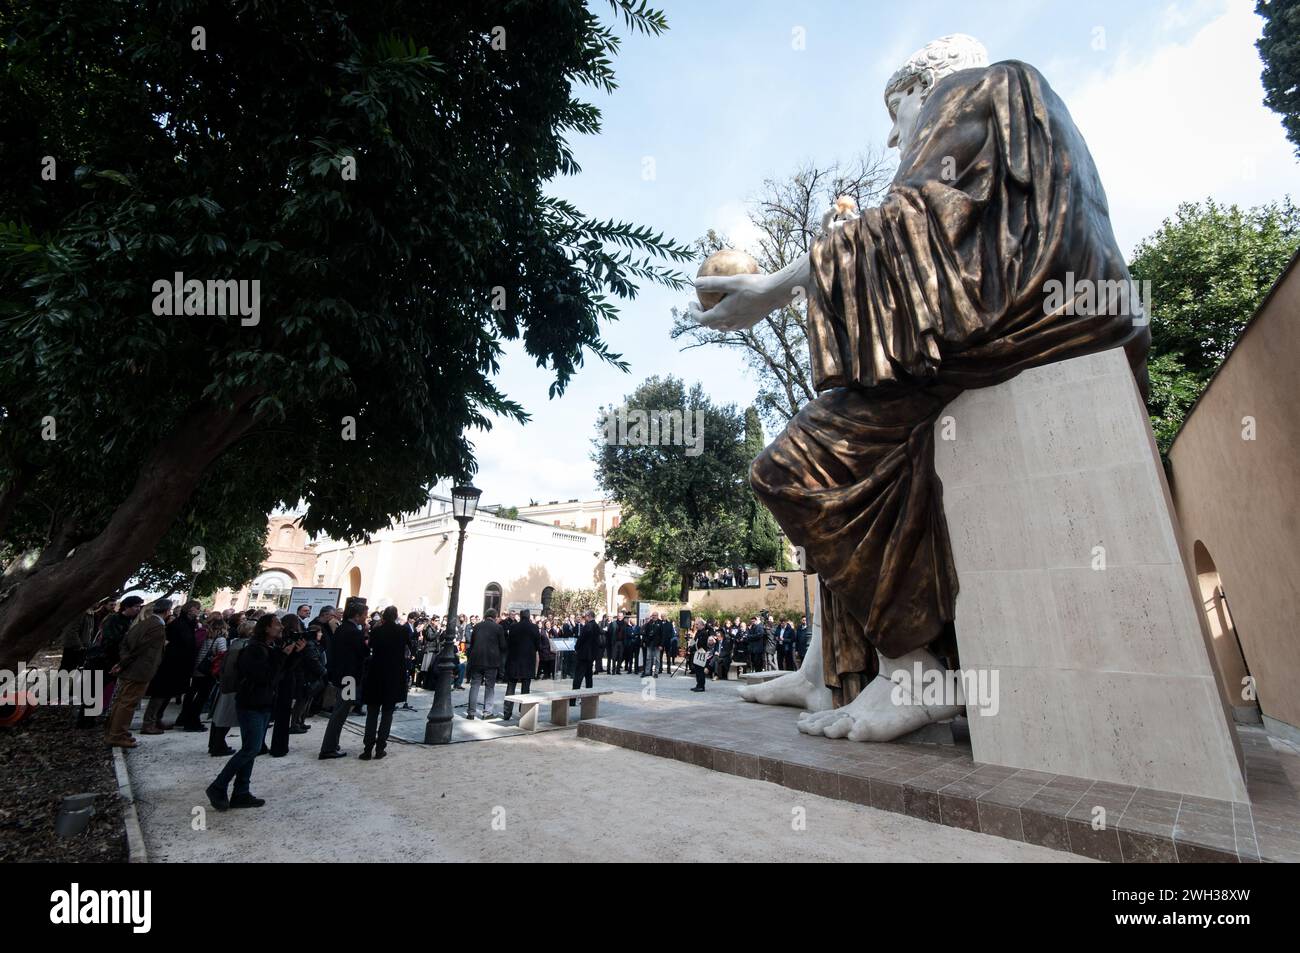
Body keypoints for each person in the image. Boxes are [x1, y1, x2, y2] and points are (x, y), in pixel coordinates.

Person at [206, 614, 302, 811]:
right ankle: (218, 786)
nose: (281, 628)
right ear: (266, 628)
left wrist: (294, 654)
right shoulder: (253, 649)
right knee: (251, 748)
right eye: (277, 625)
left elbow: (279, 674)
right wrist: (283, 656)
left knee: (252, 748)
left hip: (264, 703)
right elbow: (264, 676)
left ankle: (241, 792)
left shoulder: (269, 648)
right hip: (251, 703)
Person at [105, 599, 171, 748]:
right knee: (128, 703)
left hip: (134, 668)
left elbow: (126, 643)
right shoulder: (156, 626)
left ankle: (115, 730)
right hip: (139, 669)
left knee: (122, 701)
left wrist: (122, 662)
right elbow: (139, 648)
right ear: (167, 611)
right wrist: (122, 664)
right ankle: (116, 735)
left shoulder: (143, 623)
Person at [142, 600, 201, 733]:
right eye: (197, 608)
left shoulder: (188, 624)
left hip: (179, 665)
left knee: (167, 693)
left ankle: (157, 719)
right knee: (160, 693)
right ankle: (149, 722)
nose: (198, 611)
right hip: (171, 664)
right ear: (191, 609)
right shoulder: (178, 624)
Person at [319, 601, 368, 759]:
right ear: (357, 615)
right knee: (340, 712)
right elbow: (363, 652)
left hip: (343, 675)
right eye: (364, 615)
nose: (366, 618)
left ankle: (332, 743)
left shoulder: (343, 628)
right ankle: (329, 747)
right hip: (349, 677)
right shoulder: (353, 632)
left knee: (341, 710)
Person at [359, 606, 408, 760]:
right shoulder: (402, 631)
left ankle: (367, 748)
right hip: (393, 675)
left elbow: (371, 646)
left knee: (372, 713)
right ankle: (381, 748)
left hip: (376, 673)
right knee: (387, 713)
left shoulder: (377, 630)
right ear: (396, 616)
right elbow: (408, 647)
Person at [210, 621, 253, 756]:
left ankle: (216, 744)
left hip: (228, 685)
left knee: (222, 716)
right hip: (233, 686)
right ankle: (218, 745)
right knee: (226, 717)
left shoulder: (236, 643)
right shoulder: (244, 646)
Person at [177, 617, 228, 730]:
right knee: (201, 698)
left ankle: (185, 718)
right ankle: (193, 722)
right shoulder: (220, 640)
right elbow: (222, 655)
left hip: (197, 668)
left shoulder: (204, 637)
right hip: (208, 671)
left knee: (193, 695)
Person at [502, 609, 542, 720]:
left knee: (511, 687)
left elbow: (508, 643)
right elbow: (538, 645)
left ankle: (507, 712)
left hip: (514, 660)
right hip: (528, 661)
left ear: (520, 616)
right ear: (529, 616)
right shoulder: (534, 627)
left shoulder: (514, 627)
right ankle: (523, 711)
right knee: (525, 687)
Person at [571, 610, 600, 705]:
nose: (584, 618)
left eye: (585, 616)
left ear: (588, 616)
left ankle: (572, 700)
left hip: (583, 655)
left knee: (578, 678)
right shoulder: (596, 626)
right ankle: (589, 699)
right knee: (589, 677)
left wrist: (576, 647)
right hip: (591, 656)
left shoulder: (587, 626)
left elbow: (581, 639)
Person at [689, 621, 709, 692]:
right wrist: (690, 647)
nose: (696, 626)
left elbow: (700, 643)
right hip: (697, 652)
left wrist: (693, 648)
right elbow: (694, 640)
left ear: (702, 625)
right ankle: (698, 685)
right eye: (696, 624)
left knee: (700, 670)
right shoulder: (698, 632)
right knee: (697, 669)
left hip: (702, 653)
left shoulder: (704, 633)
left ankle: (701, 686)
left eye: (698, 624)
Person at [640, 612, 661, 678]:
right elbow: (645, 633)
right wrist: (645, 641)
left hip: (657, 644)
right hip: (649, 644)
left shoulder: (660, 623)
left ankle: (656, 672)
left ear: (657, 616)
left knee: (657, 659)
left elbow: (663, 635)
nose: (654, 616)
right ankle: (647, 672)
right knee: (648, 658)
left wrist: (661, 645)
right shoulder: (649, 623)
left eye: (655, 615)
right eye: (653, 615)